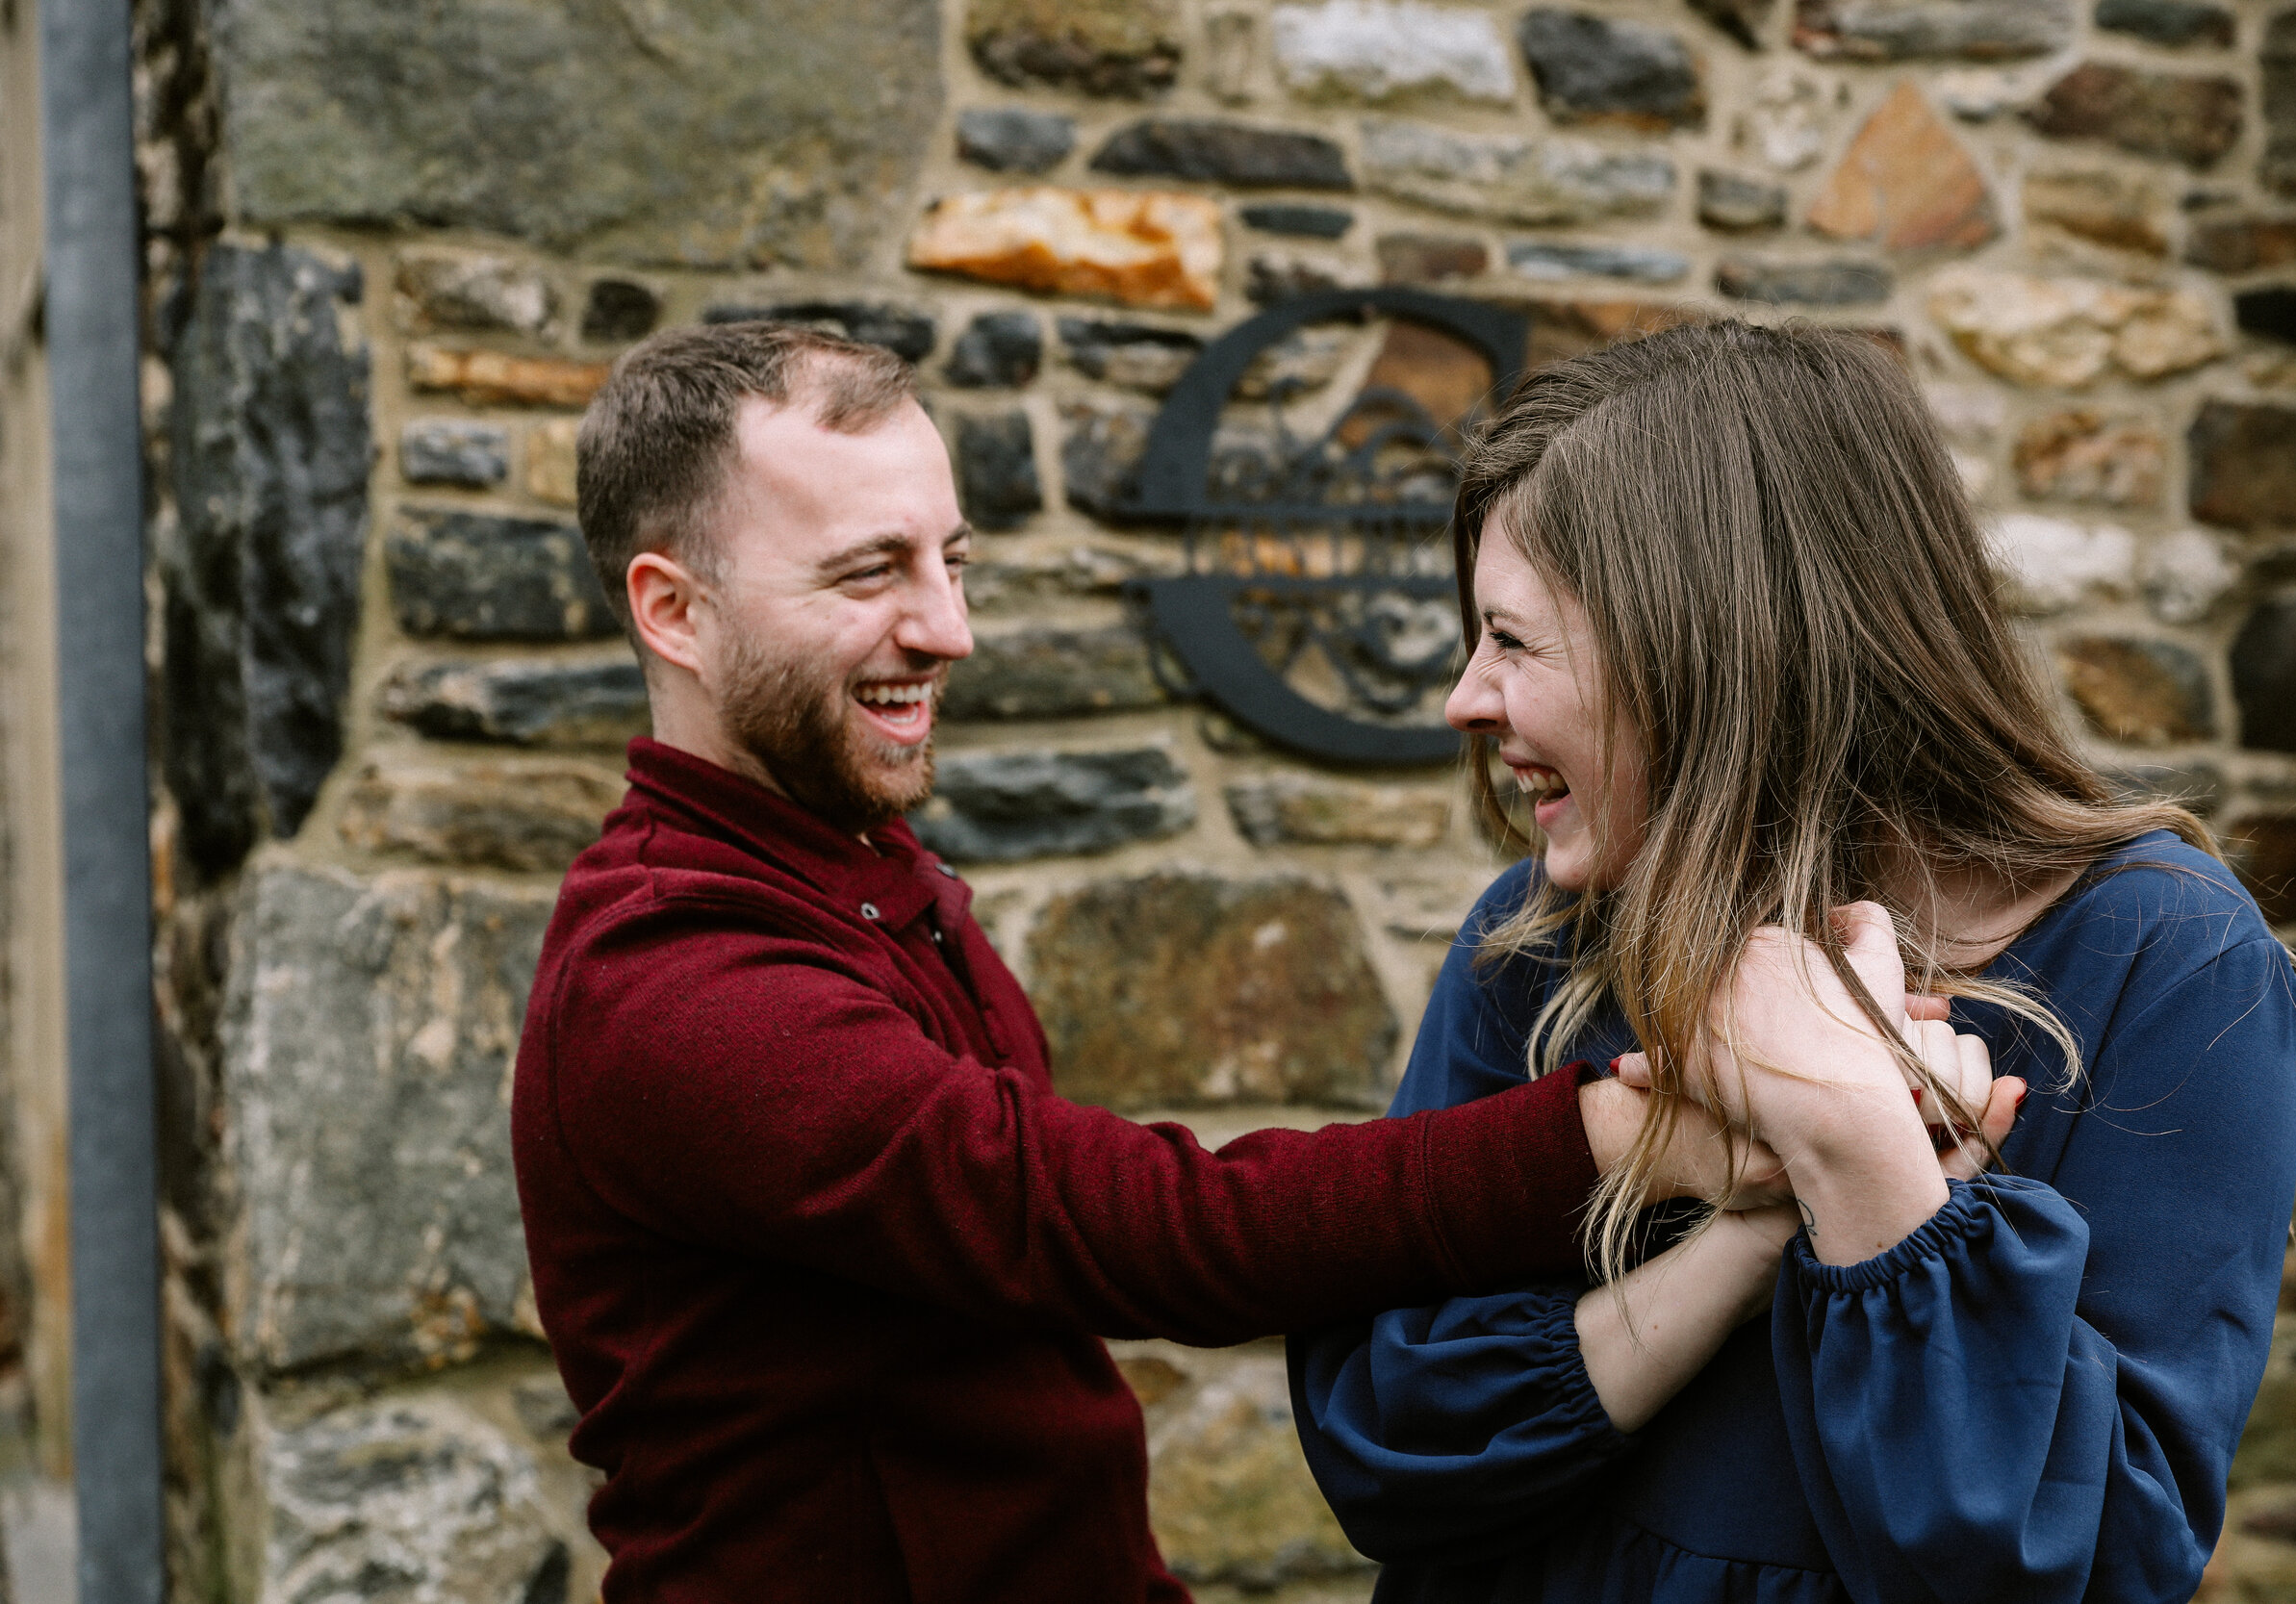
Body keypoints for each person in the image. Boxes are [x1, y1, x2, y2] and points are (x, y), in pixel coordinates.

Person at [508, 321, 1996, 1602]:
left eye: (951, 560)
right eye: (866, 573)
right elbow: (1143, 1229)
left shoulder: (851, 871)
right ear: (672, 610)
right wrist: (1654, 1130)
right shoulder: (670, 988)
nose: (947, 628)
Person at [1290, 319, 2296, 1604]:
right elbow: (1387, 1440)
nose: (1466, 698)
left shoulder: (2164, 953)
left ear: (1711, 648)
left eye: (1512, 639)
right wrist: (1765, 1212)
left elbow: (2084, 1563)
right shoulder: (1538, 939)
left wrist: (1871, 1177)